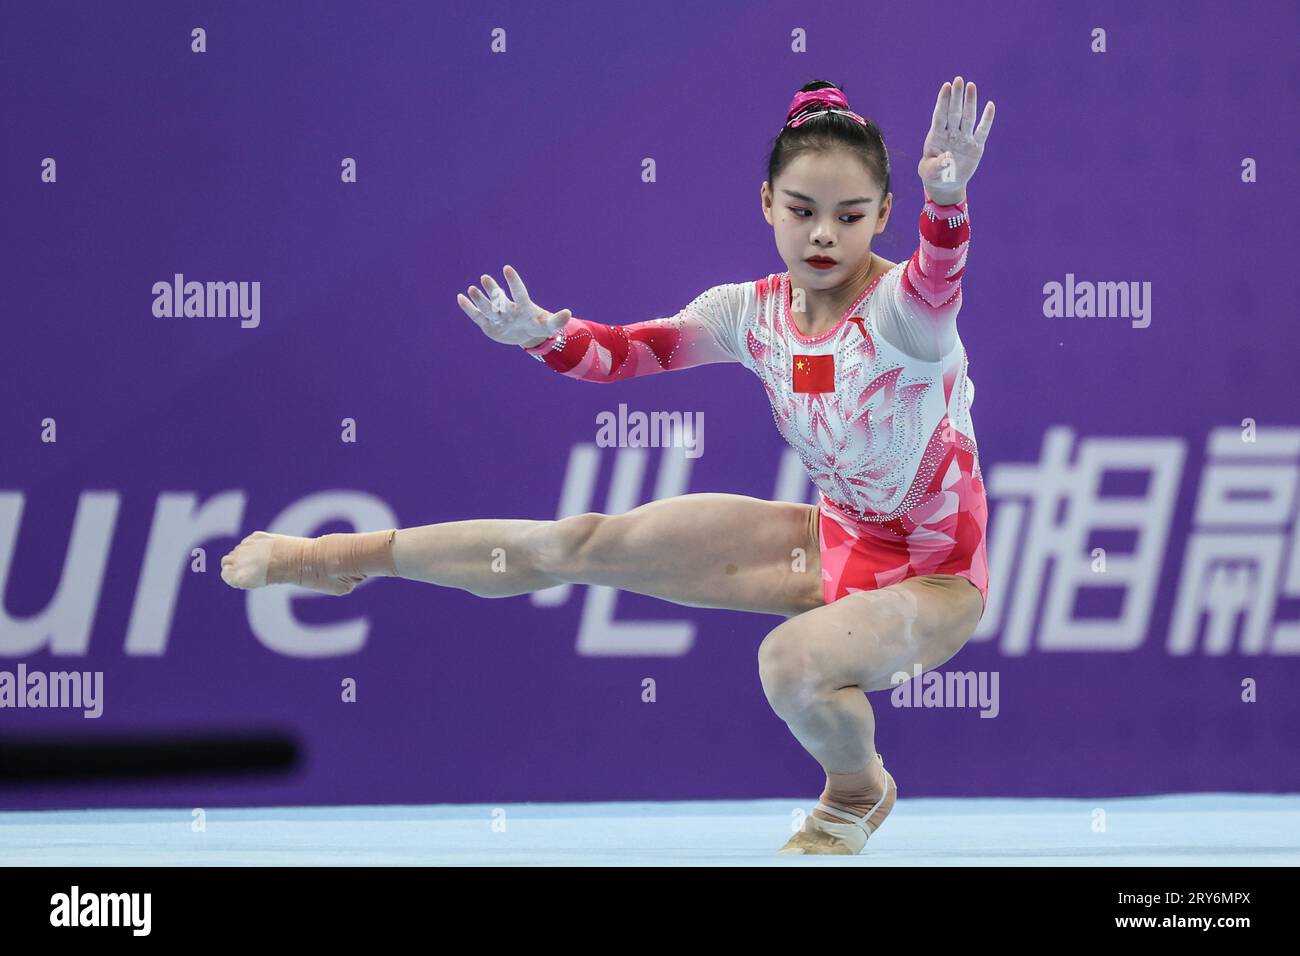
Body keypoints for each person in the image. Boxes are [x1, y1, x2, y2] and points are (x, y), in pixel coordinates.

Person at [221, 76, 996, 855]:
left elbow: (941, 270)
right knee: (576, 544)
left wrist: (948, 196)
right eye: (802, 211)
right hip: (828, 539)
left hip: (934, 576)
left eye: (850, 216)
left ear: (884, 215)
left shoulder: (905, 312)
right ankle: (336, 558)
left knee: (791, 664)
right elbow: (623, 355)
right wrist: (539, 335)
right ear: (767, 203)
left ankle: (856, 790)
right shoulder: (749, 314)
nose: (823, 235)